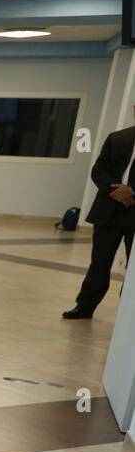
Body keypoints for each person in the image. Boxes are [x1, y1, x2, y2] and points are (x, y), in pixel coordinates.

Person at [66, 108, 135, 319]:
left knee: (133, 267)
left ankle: (127, 313)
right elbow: (98, 170)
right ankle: (84, 306)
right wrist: (118, 192)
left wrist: (131, 190)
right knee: (99, 262)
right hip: (109, 210)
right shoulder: (118, 138)